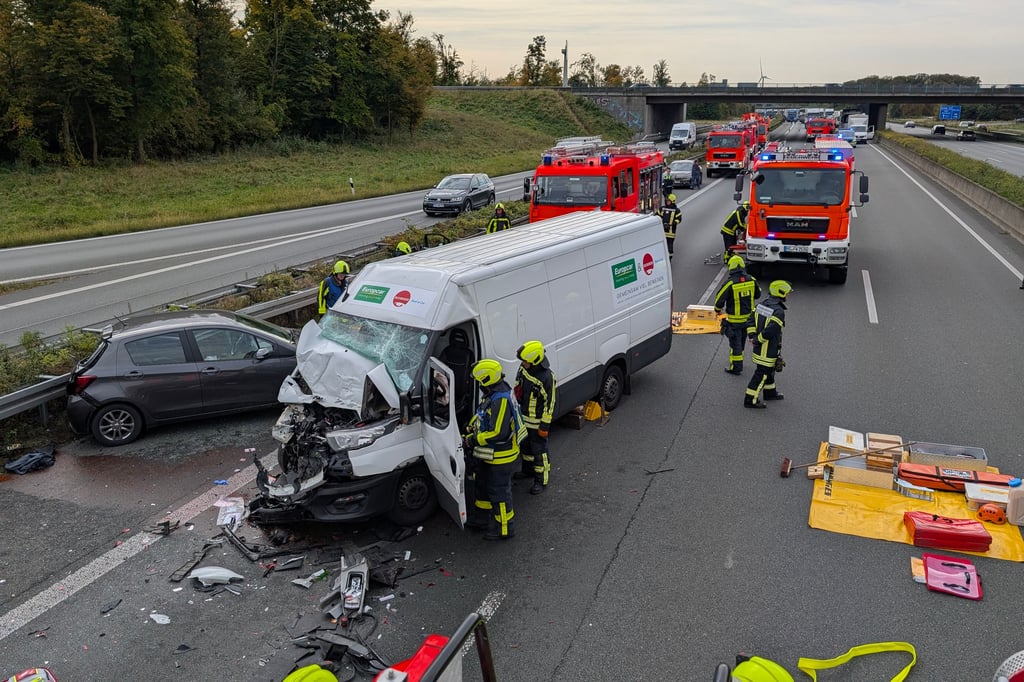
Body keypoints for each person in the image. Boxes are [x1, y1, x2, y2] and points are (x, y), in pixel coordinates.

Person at [464, 359, 526, 540]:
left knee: (499, 494)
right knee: (483, 487)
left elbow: (498, 432)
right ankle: (482, 520)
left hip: (501, 457)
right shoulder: (495, 391)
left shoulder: (501, 400)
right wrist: (471, 426)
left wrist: (473, 439)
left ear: (486, 379)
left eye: (479, 380)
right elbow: (483, 414)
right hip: (490, 455)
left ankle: (504, 529)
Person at [514, 340, 556, 495]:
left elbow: (550, 403)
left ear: (535, 361)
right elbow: (518, 384)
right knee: (525, 449)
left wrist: (544, 426)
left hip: (537, 423)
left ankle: (541, 479)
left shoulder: (547, 377)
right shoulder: (524, 369)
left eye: (526, 362)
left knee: (540, 452)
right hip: (523, 419)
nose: (523, 364)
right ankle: (528, 471)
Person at [744, 280, 791, 409]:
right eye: (787, 294)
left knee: (769, 372)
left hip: (760, 348)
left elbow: (750, 320)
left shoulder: (760, 305)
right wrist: (757, 340)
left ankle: (770, 393)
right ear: (780, 293)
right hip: (767, 350)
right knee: (762, 374)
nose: (788, 296)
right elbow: (771, 330)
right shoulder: (779, 312)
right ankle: (750, 399)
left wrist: (752, 336)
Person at [714, 255, 761, 375]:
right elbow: (758, 295)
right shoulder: (752, 280)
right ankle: (739, 362)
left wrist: (717, 310)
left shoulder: (730, 283)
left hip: (734, 321)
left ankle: (736, 368)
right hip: (749, 321)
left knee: (735, 344)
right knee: (742, 341)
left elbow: (719, 300)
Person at [659, 193, 682, 258]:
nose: (667, 202)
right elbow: (657, 216)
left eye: (668, 201)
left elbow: (679, 220)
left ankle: (669, 259)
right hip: (662, 231)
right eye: (666, 200)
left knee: (670, 247)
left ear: (672, 201)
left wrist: (672, 224)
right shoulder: (662, 208)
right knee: (662, 246)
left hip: (671, 233)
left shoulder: (677, 211)